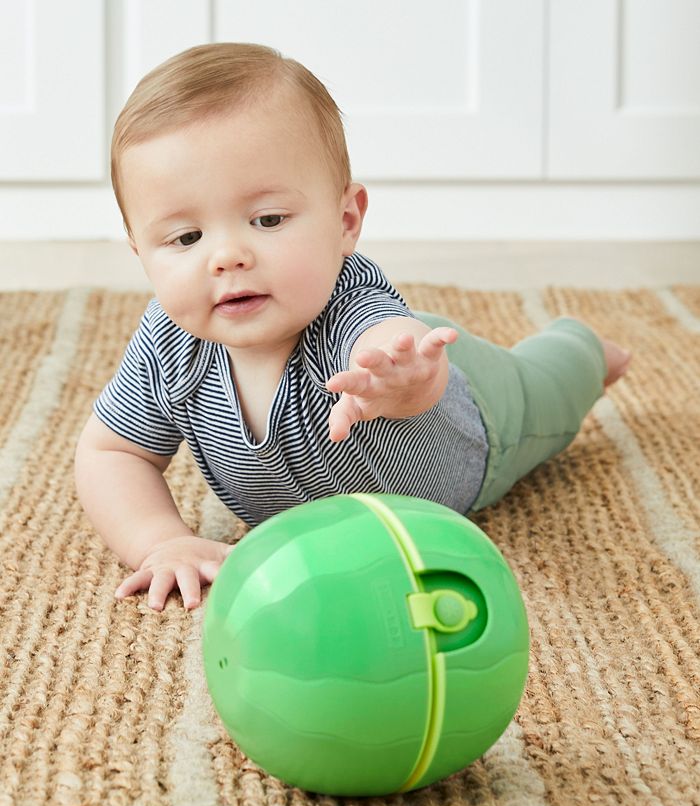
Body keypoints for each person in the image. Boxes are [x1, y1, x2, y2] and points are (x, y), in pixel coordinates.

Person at [74, 43, 631, 612]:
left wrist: (405, 375)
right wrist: (163, 541)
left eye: (267, 220)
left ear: (346, 220)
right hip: (405, 355)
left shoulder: (351, 307)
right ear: (140, 249)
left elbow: (385, 342)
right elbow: (112, 454)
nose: (227, 256)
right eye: (186, 238)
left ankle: (586, 347)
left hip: (470, 410)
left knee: (551, 385)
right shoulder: (169, 341)